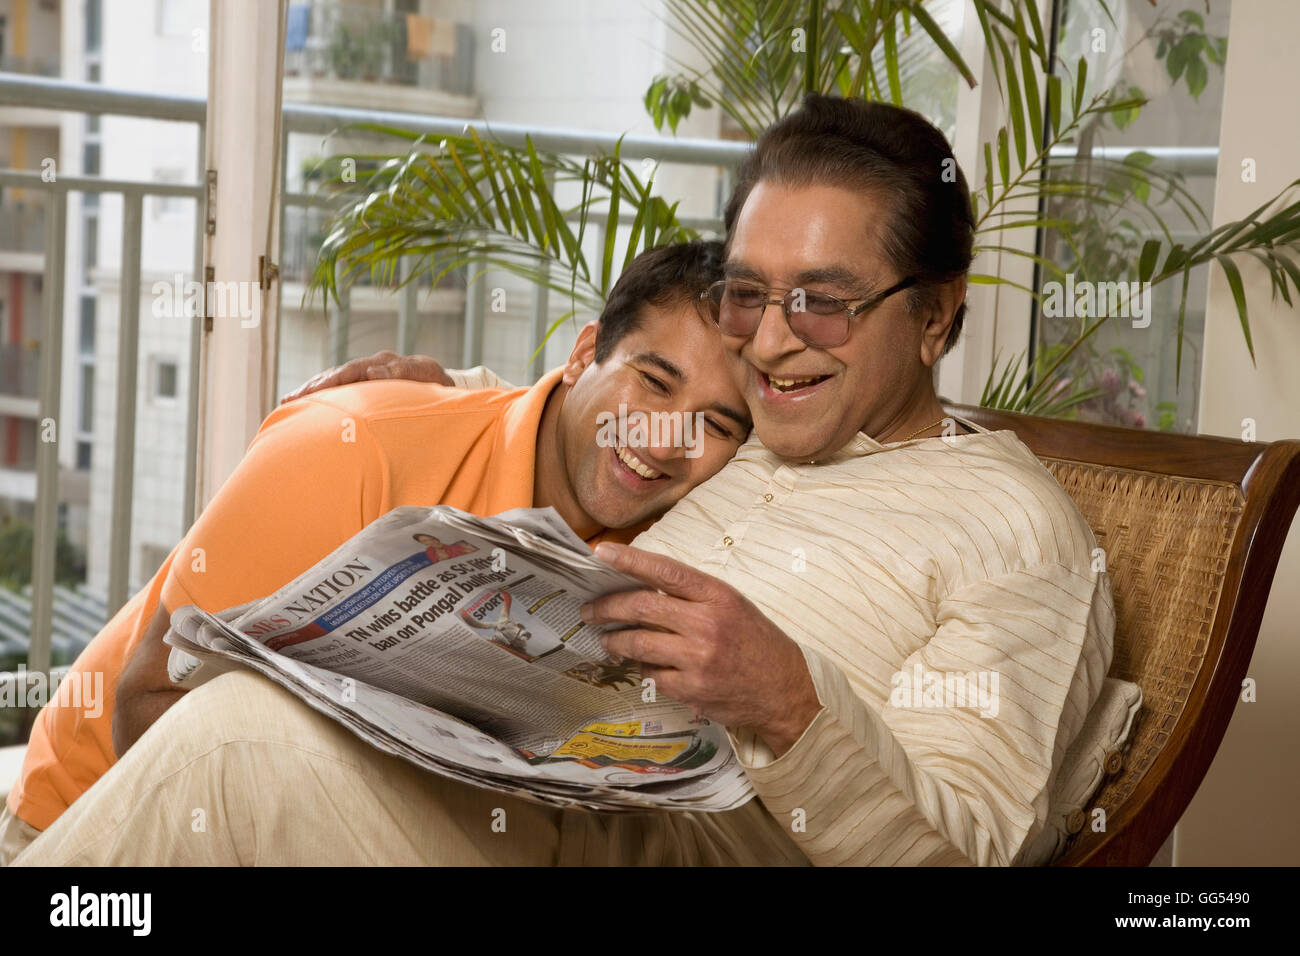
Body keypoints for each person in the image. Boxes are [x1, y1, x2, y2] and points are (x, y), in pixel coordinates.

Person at [11, 95, 1113, 867]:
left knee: (241, 742)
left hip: (674, 849)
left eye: (823, 299)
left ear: (935, 315)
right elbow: (626, 421)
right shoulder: (749, 441)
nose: (773, 344)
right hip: (531, 796)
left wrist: (790, 701)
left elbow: (972, 848)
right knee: (244, 727)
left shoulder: (1014, 528)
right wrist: (446, 393)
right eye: (748, 293)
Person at [0, 239, 750, 865]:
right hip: (94, 819)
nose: (666, 440)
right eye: (653, 382)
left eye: (716, 425)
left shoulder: (669, 545)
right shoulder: (354, 444)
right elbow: (148, 702)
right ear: (586, 354)